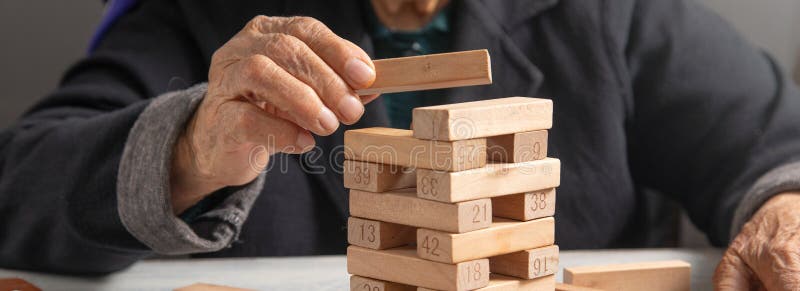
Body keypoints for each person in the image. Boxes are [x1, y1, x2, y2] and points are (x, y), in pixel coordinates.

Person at [1, 0, 799, 289]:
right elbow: (21, 180)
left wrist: (786, 204)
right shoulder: (206, 16)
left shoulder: (613, 13)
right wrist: (189, 148)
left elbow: (771, 139)